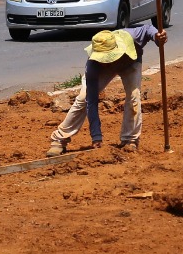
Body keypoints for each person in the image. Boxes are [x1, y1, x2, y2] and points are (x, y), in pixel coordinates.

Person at [46, 22, 166, 156]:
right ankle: (59, 139)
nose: (106, 61)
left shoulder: (131, 36)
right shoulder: (94, 65)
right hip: (103, 70)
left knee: (134, 96)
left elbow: (148, 28)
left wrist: (157, 36)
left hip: (131, 61)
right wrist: (96, 136)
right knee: (83, 98)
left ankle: (130, 139)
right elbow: (91, 101)